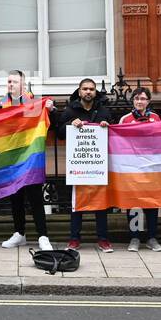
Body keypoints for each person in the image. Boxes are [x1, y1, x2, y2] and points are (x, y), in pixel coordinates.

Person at [0, 70, 53, 251]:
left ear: (23, 83)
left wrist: (49, 109)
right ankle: (19, 233)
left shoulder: (34, 103)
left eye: (14, 81)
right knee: (16, 197)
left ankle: (43, 236)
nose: (11, 84)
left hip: (30, 157)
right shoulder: (2, 104)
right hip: (12, 157)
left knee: (36, 198)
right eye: (8, 81)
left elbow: (45, 123)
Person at [59, 77, 114, 252]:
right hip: (79, 164)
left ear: (95, 91)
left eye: (91, 89)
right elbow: (59, 132)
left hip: (98, 163)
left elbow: (114, 136)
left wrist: (107, 126)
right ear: (80, 91)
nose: (88, 92)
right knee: (77, 203)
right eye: (85, 89)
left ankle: (103, 239)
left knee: (101, 203)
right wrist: (70, 124)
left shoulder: (104, 111)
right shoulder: (70, 110)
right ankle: (74, 239)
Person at [118, 86, 161, 252]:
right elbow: (119, 143)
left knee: (152, 203)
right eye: (137, 99)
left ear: (148, 101)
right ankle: (135, 237)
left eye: (143, 99)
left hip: (151, 168)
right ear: (133, 101)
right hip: (133, 168)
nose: (139, 102)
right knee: (134, 203)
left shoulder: (156, 118)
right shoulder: (126, 119)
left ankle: (152, 237)